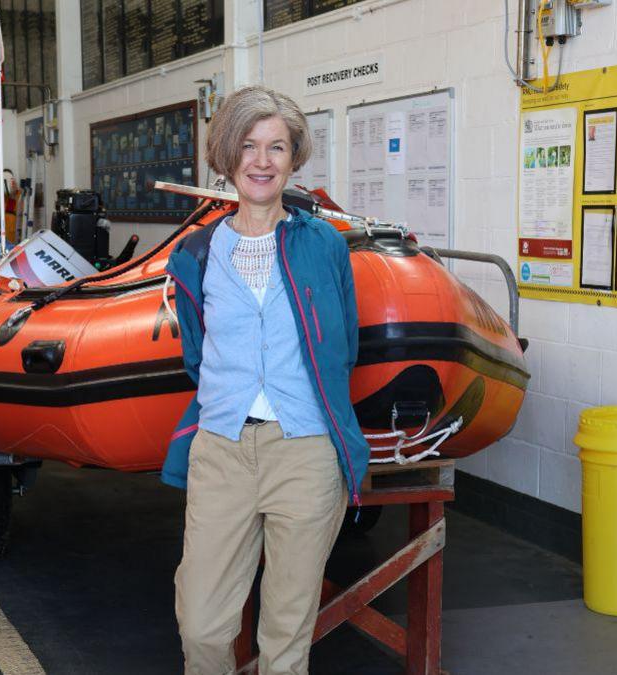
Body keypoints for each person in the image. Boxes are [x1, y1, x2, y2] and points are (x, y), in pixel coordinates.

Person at [161, 85, 371, 675]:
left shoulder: (323, 244)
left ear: (293, 158)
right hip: (223, 450)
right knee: (201, 625)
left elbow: (344, 343)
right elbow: (197, 354)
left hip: (304, 452)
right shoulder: (197, 253)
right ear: (228, 156)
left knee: (286, 639)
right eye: (249, 146)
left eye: (276, 147)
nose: (262, 161)